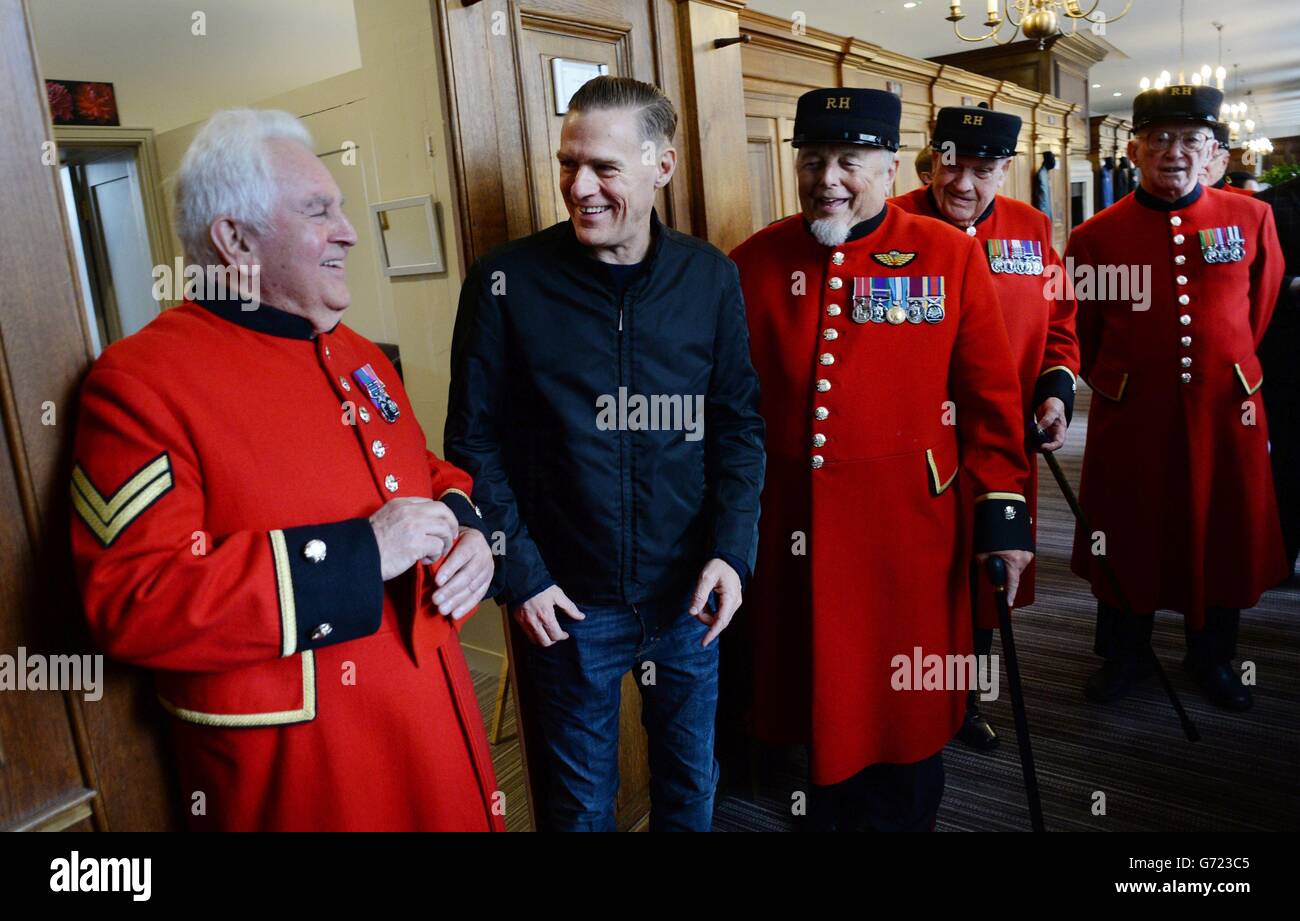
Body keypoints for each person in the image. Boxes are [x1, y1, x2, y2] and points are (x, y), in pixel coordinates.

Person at [70, 109, 503, 830]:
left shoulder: (357, 352)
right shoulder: (141, 380)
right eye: (318, 211)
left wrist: (468, 527)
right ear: (235, 239)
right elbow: (133, 598)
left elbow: (420, 473)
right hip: (308, 763)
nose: (349, 230)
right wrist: (364, 553)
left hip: (436, 715)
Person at [445, 76, 765, 832]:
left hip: (689, 599)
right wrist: (519, 573)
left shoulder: (710, 278)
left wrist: (733, 552)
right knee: (578, 807)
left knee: (690, 792)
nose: (579, 187)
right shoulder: (503, 281)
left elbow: (739, 428)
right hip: (565, 602)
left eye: (604, 168)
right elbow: (472, 441)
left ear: (663, 165)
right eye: (568, 164)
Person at [730, 87, 1032, 831]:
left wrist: (1003, 510)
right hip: (792, 524)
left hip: (908, 529)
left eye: (849, 160)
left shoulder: (948, 255)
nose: (827, 178)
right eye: (813, 159)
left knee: (903, 703)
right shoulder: (754, 261)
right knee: (819, 683)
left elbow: (989, 397)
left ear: (892, 165)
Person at [1066, 86, 1286, 711]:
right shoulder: (1094, 237)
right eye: (1159, 139)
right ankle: (1125, 655)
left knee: (1221, 531)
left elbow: (1259, 308)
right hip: (1135, 414)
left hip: (1225, 413)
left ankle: (1212, 654)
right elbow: (1082, 329)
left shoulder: (1251, 218)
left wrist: (1223, 362)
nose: (1175, 152)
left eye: (1192, 140)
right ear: (1133, 148)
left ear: (1214, 151)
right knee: (1128, 531)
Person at [892, 106, 1079, 750]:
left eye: (982, 170)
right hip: (915, 447)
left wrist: (1056, 388)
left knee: (988, 575)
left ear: (1007, 169)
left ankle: (970, 700)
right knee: (914, 577)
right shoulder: (891, 223)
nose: (964, 184)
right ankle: (907, 703)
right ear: (932, 159)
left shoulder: (1031, 228)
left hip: (1000, 441)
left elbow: (1059, 320)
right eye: (952, 166)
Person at [1256, 177, 1300, 574]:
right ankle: (1282, 556)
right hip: (1287, 359)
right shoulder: (1267, 205)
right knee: (1287, 462)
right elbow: (1251, 279)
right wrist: (1293, 286)